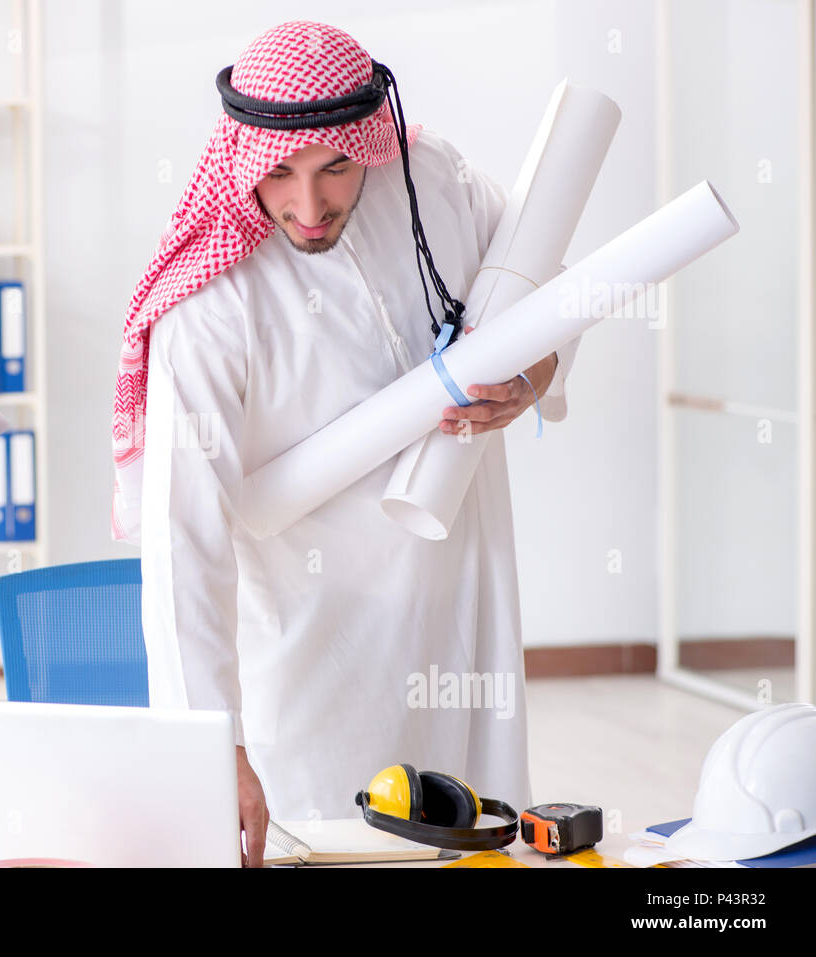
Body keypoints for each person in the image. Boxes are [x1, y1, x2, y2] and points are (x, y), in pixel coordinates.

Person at [109, 20, 581, 867]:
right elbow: (184, 542)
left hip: (460, 604)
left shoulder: (432, 181)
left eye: (335, 168)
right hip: (312, 650)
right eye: (279, 174)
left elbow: (548, 290)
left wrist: (533, 376)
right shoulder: (212, 306)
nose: (310, 204)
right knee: (326, 843)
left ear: (367, 142)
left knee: (476, 840)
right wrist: (213, 750)